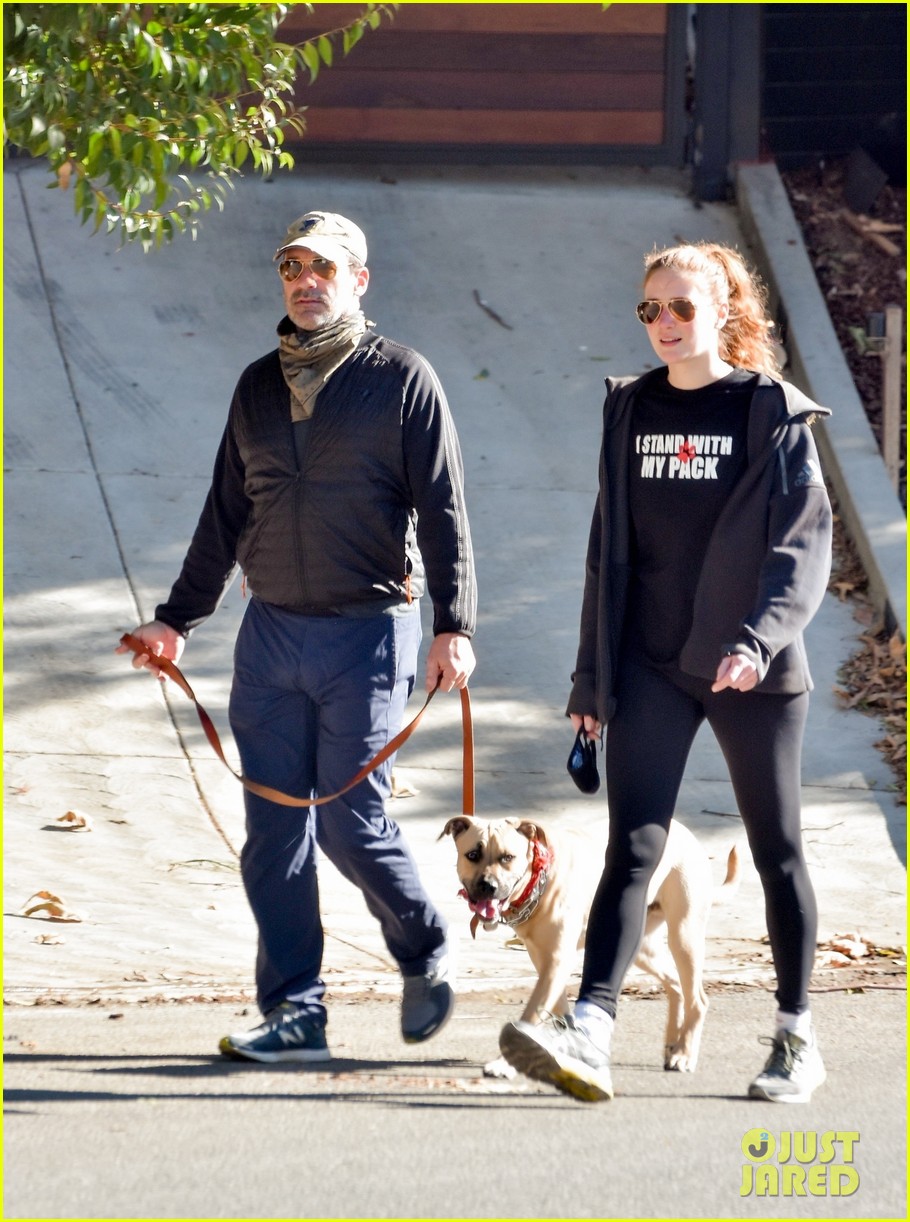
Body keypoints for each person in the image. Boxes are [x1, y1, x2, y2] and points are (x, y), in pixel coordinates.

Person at [118, 210, 477, 1062]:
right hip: (271, 634)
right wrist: (176, 618)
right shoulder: (255, 386)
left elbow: (444, 510)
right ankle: (295, 1009)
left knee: (354, 825)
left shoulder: (403, 379)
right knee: (274, 835)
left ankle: (423, 943)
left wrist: (455, 624)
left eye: (324, 266)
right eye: (291, 266)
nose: (305, 280)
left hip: (371, 635)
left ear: (361, 279)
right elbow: (225, 511)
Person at [499, 241, 832, 1104]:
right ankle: (593, 1029)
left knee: (778, 851)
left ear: (724, 309)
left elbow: (801, 550)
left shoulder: (772, 413)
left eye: (682, 307)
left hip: (749, 668)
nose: (665, 325)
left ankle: (795, 1037)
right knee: (633, 847)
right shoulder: (631, 409)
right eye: (651, 310)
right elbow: (607, 554)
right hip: (650, 663)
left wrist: (757, 641)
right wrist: (589, 685)